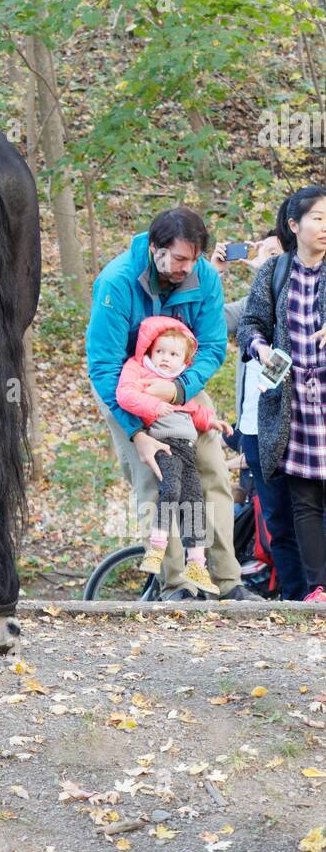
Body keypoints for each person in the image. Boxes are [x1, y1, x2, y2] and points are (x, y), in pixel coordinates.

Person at [86, 205, 259, 601]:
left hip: (180, 383)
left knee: (212, 471)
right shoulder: (116, 282)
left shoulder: (205, 278)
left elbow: (214, 345)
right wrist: (137, 433)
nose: (187, 268)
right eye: (180, 258)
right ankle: (177, 583)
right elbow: (103, 366)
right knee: (158, 479)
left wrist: (181, 390)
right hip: (126, 386)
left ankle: (226, 580)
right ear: (155, 248)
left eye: (194, 259)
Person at [238, 186, 326, 602]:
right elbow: (250, 324)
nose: (325, 227)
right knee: (304, 502)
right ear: (294, 226)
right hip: (292, 407)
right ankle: (316, 590)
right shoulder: (274, 272)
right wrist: (260, 347)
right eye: (318, 218)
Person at [215, 223, 307, 600]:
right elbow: (213, 322)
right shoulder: (255, 300)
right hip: (256, 428)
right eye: (262, 254)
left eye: (273, 255)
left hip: (301, 423)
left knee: (308, 514)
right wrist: (215, 274)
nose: (264, 261)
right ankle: (294, 598)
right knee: (277, 522)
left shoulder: (303, 290)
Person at [116, 317, 231, 593]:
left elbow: (192, 410)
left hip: (187, 449)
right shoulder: (142, 371)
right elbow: (125, 396)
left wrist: (210, 421)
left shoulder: (179, 382)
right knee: (171, 491)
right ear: (150, 350)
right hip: (163, 445)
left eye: (173, 354)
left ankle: (196, 562)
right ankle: (157, 548)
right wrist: (155, 406)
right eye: (160, 352)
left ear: (183, 360)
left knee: (193, 502)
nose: (165, 359)